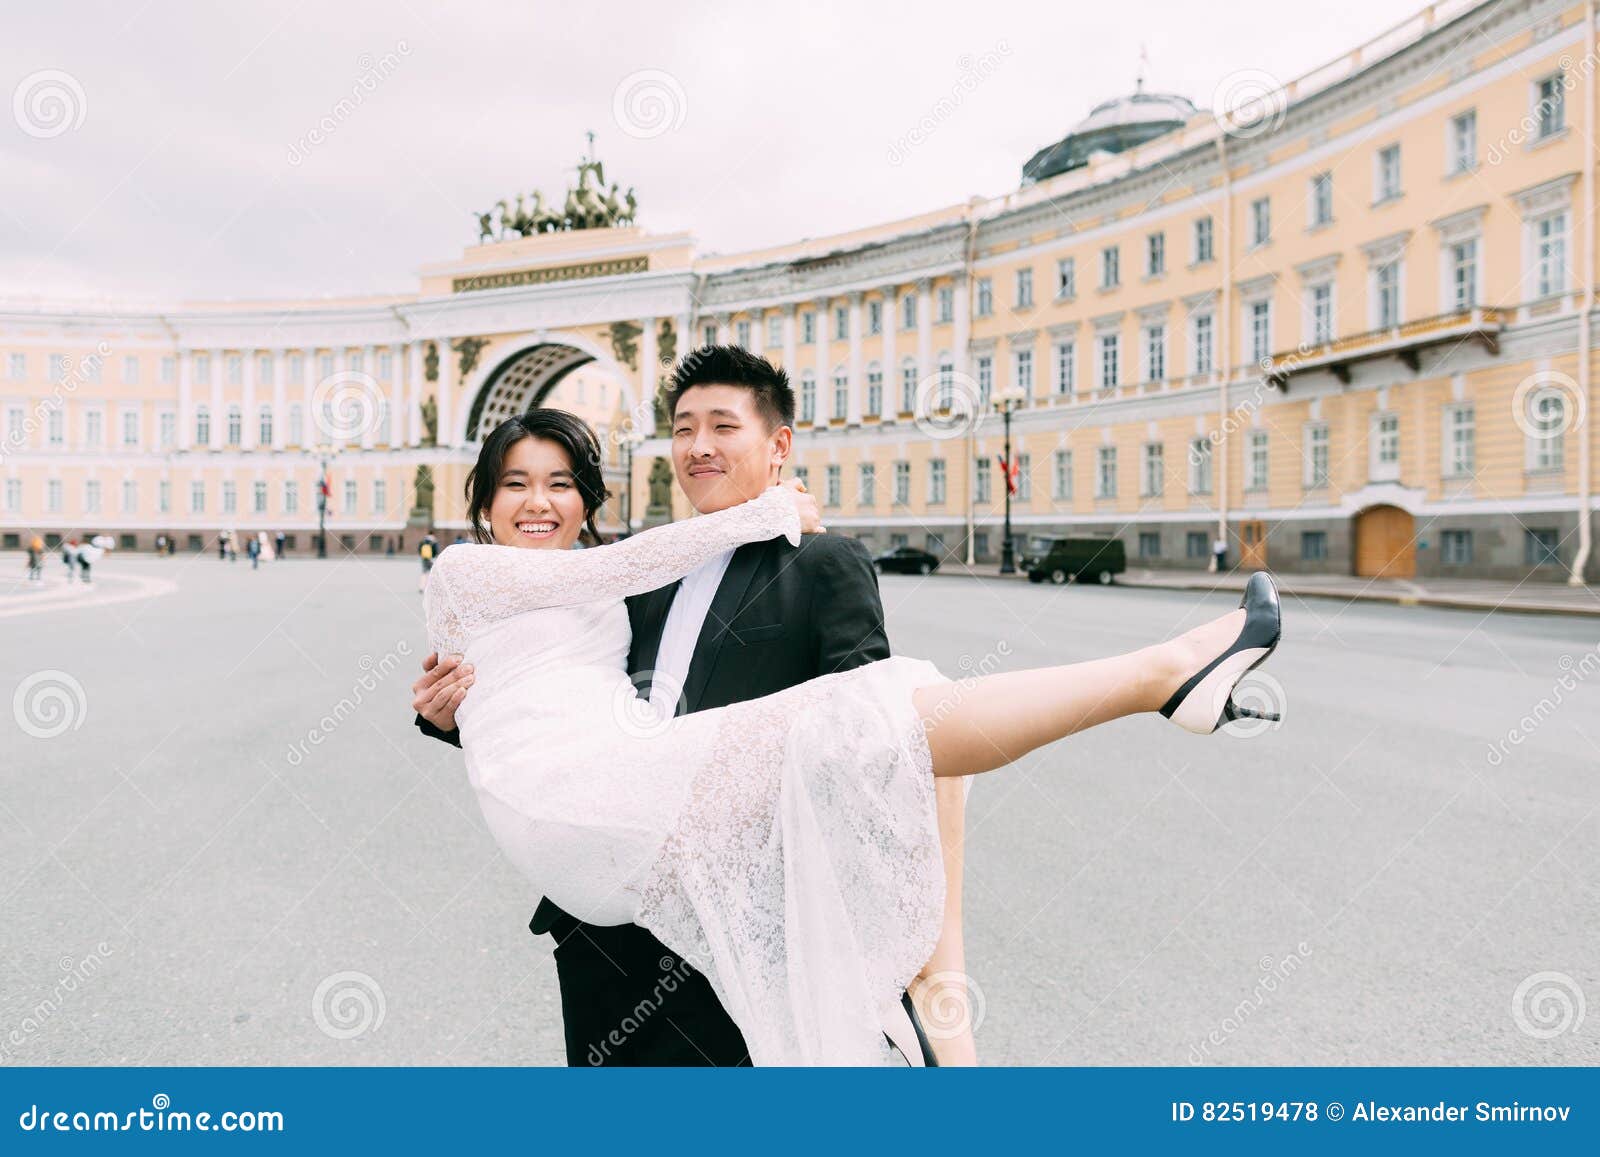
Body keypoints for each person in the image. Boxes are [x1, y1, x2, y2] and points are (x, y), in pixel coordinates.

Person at [419, 402, 1283, 1065]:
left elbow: (545, 687)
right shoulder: (472, 572)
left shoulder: (619, 589)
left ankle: (939, 996)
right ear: (484, 501)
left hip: (640, 806)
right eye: (516, 483)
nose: (539, 501)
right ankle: (1157, 678)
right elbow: (594, 607)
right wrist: (768, 511)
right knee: (890, 711)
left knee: (891, 715)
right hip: (587, 827)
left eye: (561, 482)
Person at [415, 348, 969, 1065]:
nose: (698, 446)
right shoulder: (635, 576)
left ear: (779, 446)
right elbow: (559, 713)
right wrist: (448, 716)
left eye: (721, 426)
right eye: (682, 428)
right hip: (608, 938)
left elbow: (863, 740)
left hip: (734, 933)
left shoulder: (823, 565)